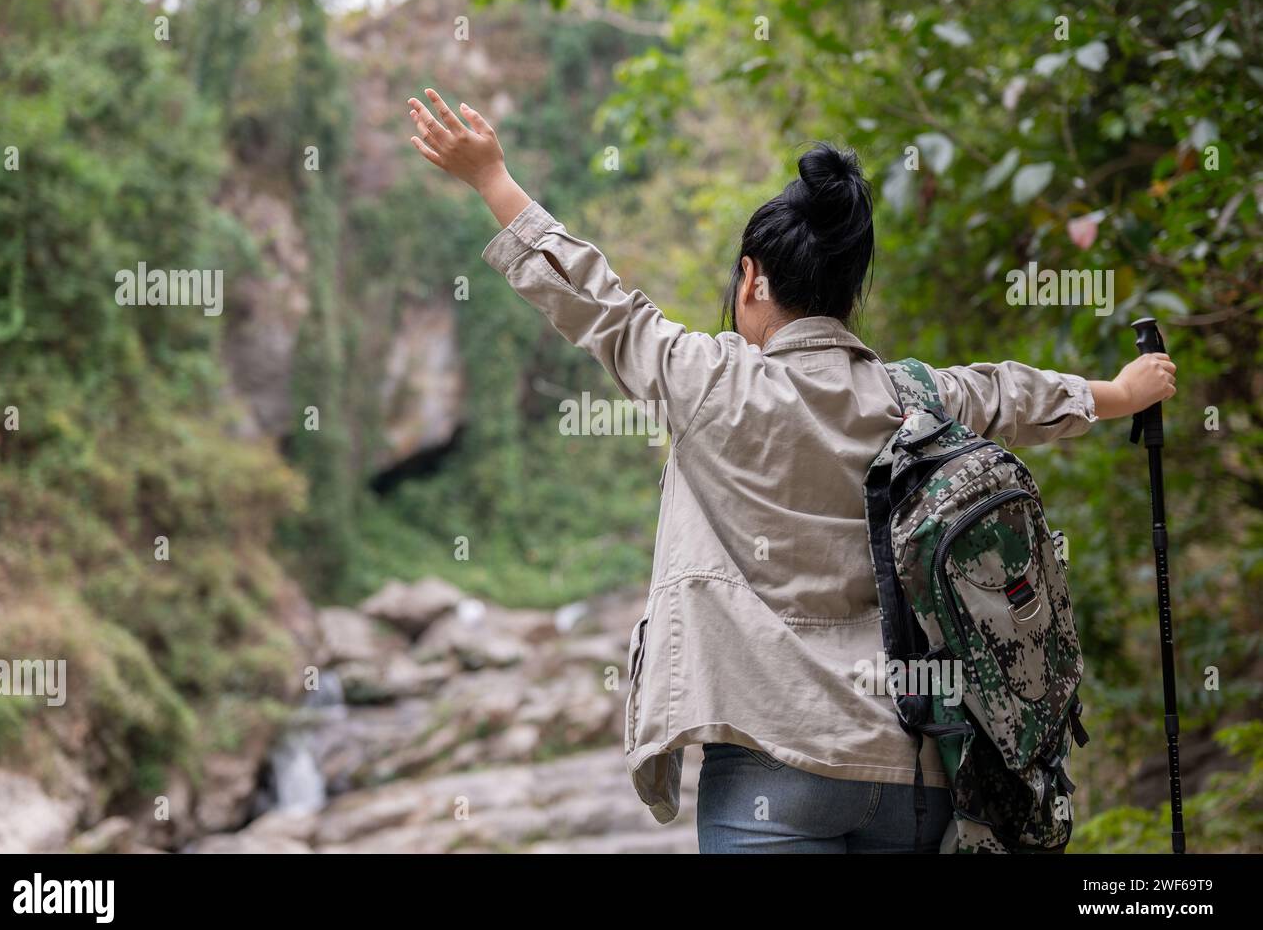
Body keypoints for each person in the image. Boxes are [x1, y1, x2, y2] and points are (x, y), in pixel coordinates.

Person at [406, 88, 1178, 854]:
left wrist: (492, 181)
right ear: (847, 294)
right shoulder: (915, 396)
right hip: (916, 776)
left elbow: (597, 302)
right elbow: (1012, 393)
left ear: (751, 280)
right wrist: (1120, 392)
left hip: (768, 769)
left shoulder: (708, 380)